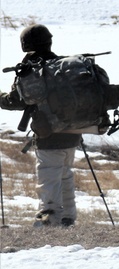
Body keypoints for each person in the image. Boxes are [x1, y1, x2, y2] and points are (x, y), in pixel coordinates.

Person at [1, 24, 81, 227]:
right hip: (72, 131)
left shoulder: (31, 69)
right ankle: (68, 217)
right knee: (65, 174)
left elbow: (18, 100)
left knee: (49, 175)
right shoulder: (62, 65)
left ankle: (50, 217)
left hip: (48, 133)